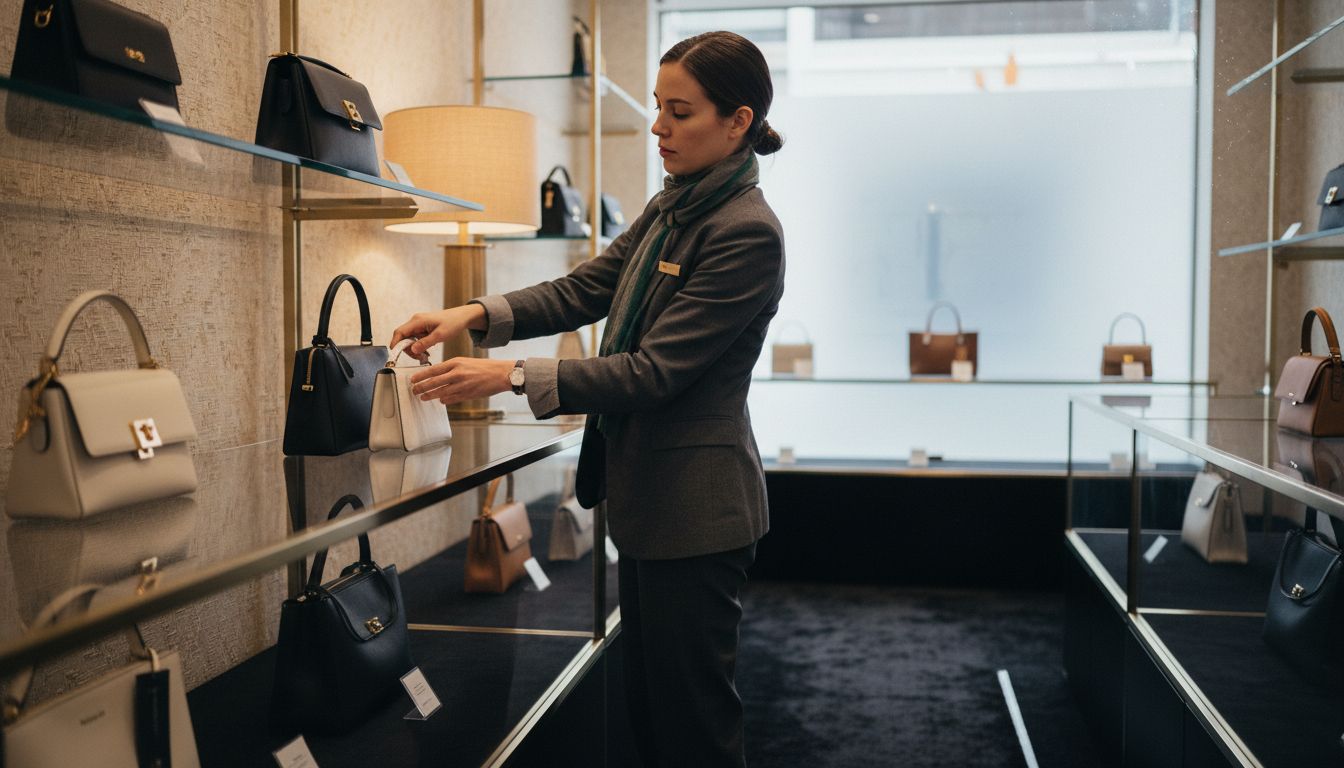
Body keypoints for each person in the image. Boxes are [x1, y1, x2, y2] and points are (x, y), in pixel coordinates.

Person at [390, 30, 785, 768]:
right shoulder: (675, 207)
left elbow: (651, 373)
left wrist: (507, 375)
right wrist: (473, 316)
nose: (660, 129)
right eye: (659, 109)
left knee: (694, 724)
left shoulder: (746, 233)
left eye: (681, 112)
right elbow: (584, 288)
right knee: (651, 711)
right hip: (650, 500)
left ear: (738, 122)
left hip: (697, 512)